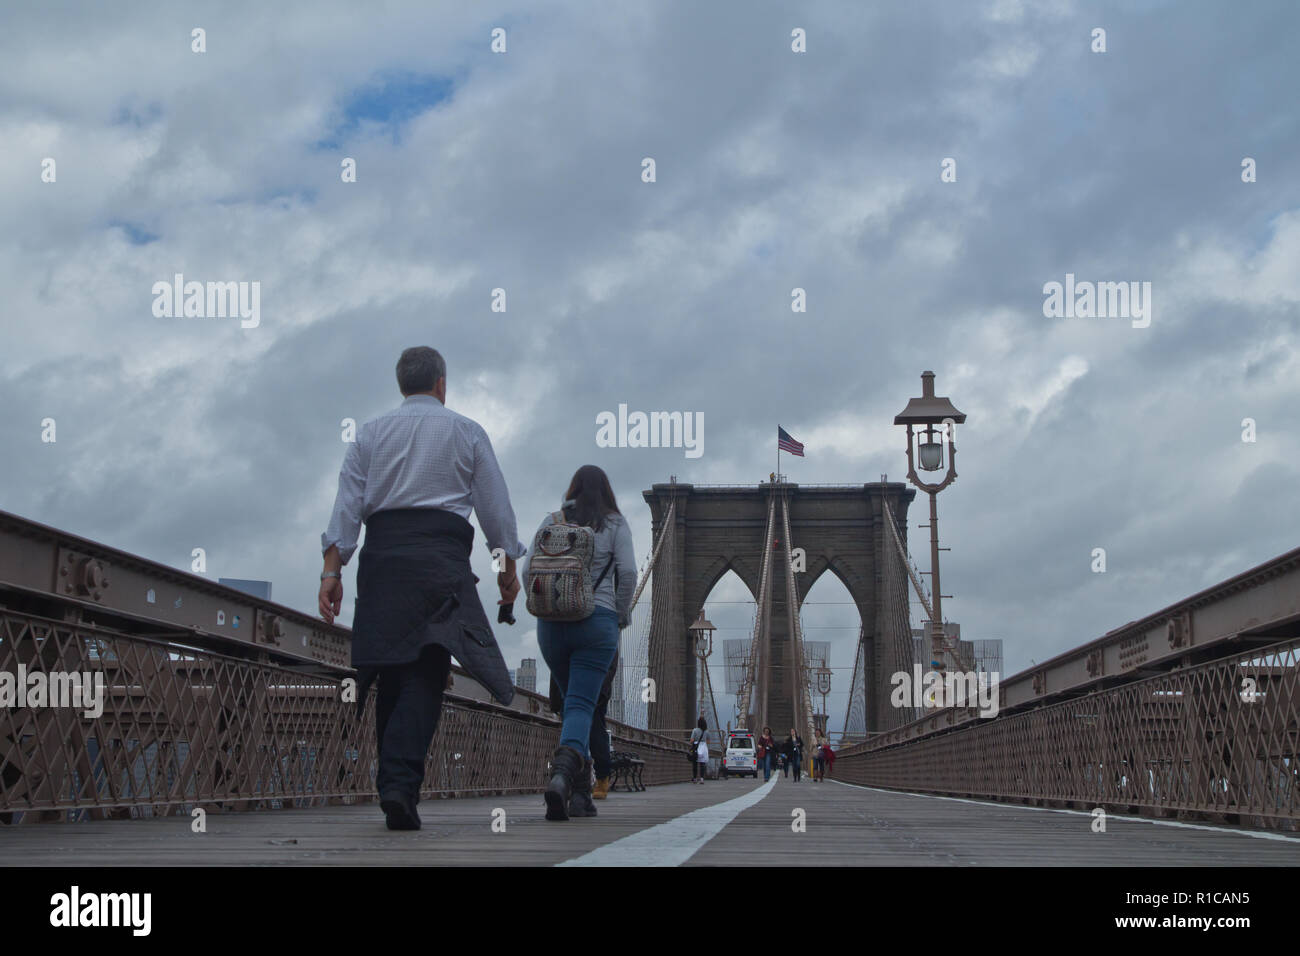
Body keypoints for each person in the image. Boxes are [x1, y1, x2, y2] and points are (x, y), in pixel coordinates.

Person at [319, 347, 523, 831]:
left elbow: (346, 507)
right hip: (439, 562)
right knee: (427, 670)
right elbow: (496, 511)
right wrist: (506, 570)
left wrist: (332, 572)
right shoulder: (467, 431)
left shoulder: (369, 434)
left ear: (402, 385)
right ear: (441, 385)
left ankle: (395, 784)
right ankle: (398, 785)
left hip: (383, 561)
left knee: (390, 669)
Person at [525, 465, 636, 820]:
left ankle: (580, 794)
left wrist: (544, 604)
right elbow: (630, 573)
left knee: (575, 706)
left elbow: (528, 570)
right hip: (596, 623)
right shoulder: (615, 524)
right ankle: (560, 777)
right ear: (607, 492)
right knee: (579, 706)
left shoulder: (552, 520)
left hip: (551, 626)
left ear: (572, 488)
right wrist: (619, 614)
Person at [547, 649, 619, 806]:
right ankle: (577, 787)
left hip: (592, 692)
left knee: (594, 734)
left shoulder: (599, 630)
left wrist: (600, 690)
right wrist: (555, 699)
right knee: (576, 735)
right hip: (569, 690)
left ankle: (595, 778)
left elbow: (610, 664)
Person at [690, 716, 709, 783]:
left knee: (695, 763)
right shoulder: (706, 731)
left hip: (696, 747)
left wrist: (694, 741)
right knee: (702, 764)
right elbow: (708, 741)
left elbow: (691, 740)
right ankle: (702, 779)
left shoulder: (695, 730)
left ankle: (695, 778)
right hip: (703, 747)